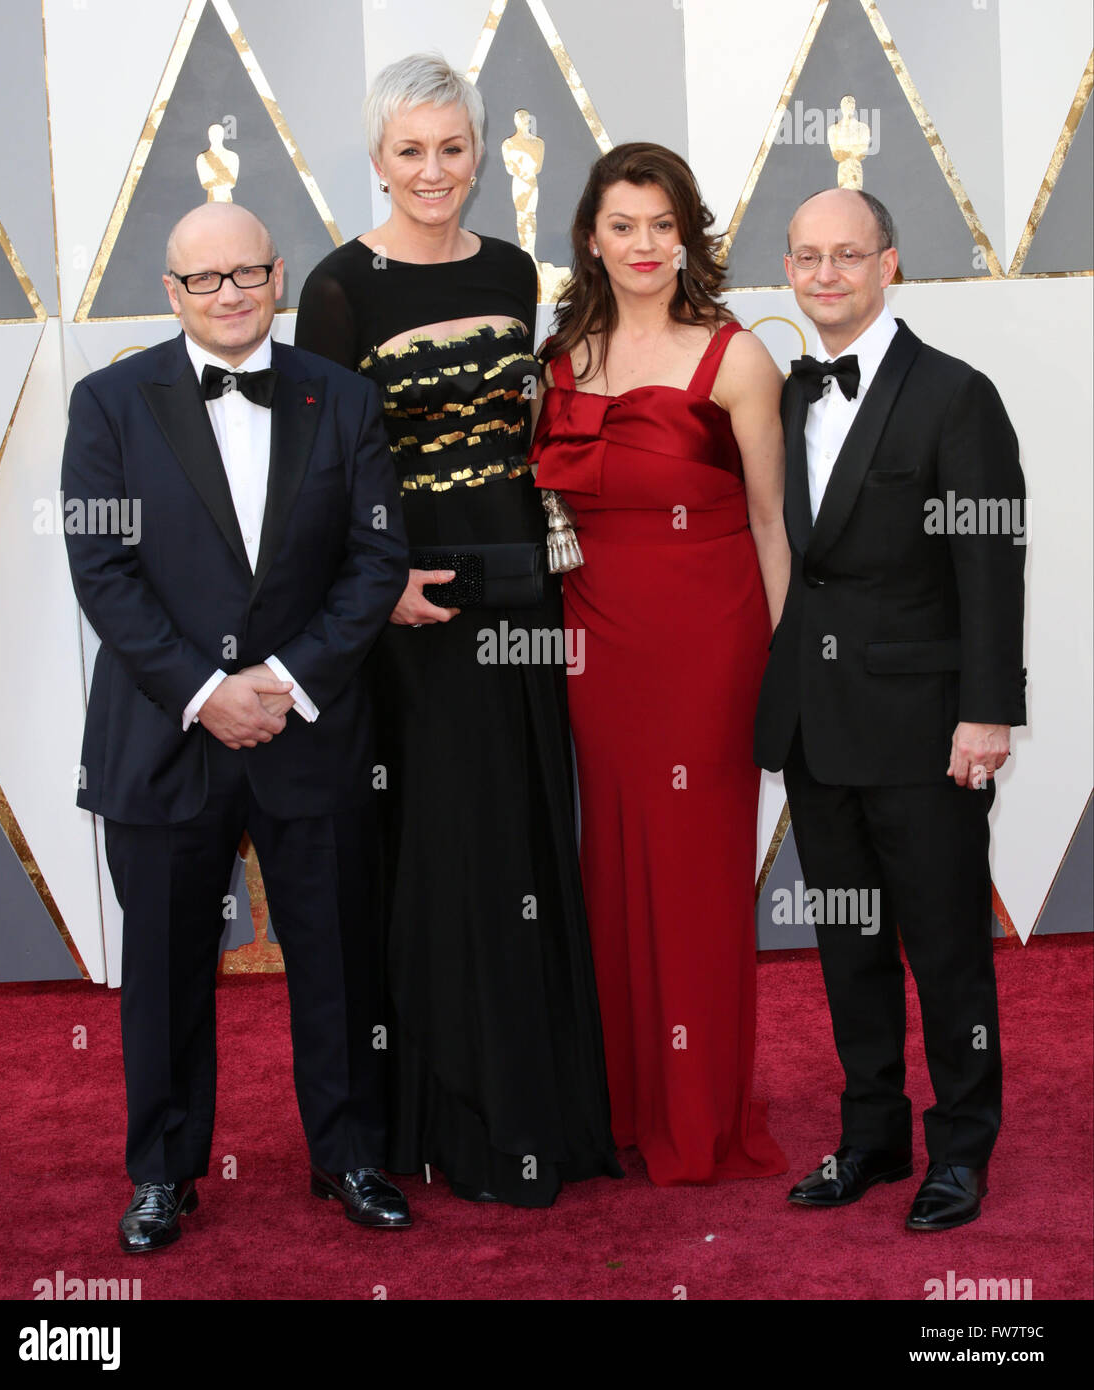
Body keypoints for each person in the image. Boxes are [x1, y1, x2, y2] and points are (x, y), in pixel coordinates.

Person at [295, 53, 619, 1207]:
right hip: (412, 610)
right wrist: (375, 587)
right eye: (409, 151)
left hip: (520, 596)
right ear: (377, 160)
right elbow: (321, 471)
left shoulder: (515, 270)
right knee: (445, 856)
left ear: (481, 156)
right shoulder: (340, 288)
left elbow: (530, 446)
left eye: (452, 148)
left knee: (529, 840)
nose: (433, 171)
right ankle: (448, 1127)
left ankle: (544, 1112)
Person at [61, 202, 413, 1249]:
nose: (228, 294)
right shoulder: (108, 402)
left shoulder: (345, 399)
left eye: (246, 274)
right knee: (165, 970)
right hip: (166, 737)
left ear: (278, 276)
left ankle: (350, 1155)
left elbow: (374, 560)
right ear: (170, 292)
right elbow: (102, 570)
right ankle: (164, 1173)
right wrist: (205, 692)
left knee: (340, 959)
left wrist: (286, 679)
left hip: (312, 725)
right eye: (203, 279)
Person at [754, 188, 1026, 1230]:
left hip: (924, 728)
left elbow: (990, 561)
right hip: (818, 725)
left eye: (847, 256)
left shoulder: (957, 395)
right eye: (808, 256)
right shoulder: (784, 393)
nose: (825, 274)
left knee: (947, 948)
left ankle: (962, 1148)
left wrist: (986, 711)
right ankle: (871, 1134)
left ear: (890, 264)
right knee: (848, 943)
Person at [529, 143, 791, 1186]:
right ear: (591, 238)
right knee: (612, 871)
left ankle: (699, 1118)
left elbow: (774, 526)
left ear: (689, 236)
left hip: (708, 644)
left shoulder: (734, 358)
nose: (643, 245)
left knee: (693, 878)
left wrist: (789, 673)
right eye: (623, 224)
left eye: (662, 225)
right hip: (595, 648)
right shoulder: (556, 359)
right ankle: (627, 1107)